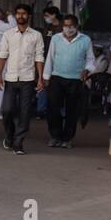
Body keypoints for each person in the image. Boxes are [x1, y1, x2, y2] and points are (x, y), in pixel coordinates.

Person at [0, 4, 45, 155]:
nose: (21, 16)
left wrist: (40, 78)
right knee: (7, 110)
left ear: (28, 16)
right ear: (15, 16)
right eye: (18, 14)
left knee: (25, 113)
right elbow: (3, 55)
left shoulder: (36, 35)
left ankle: (18, 143)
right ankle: (9, 136)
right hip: (10, 78)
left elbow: (39, 57)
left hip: (28, 79)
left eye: (24, 14)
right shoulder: (8, 34)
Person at [42, 13, 92, 149]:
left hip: (75, 80)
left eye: (71, 26)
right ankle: (55, 136)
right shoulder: (56, 39)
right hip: (56, 78)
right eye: (66, 26)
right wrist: (46, 77)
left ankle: (67, 138)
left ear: (77, 27)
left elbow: (90, 59)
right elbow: (50, 58)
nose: (68, 29)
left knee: (72, 110)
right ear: (62, 27)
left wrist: (87, 70)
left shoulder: (85, 40)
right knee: (53, 108)